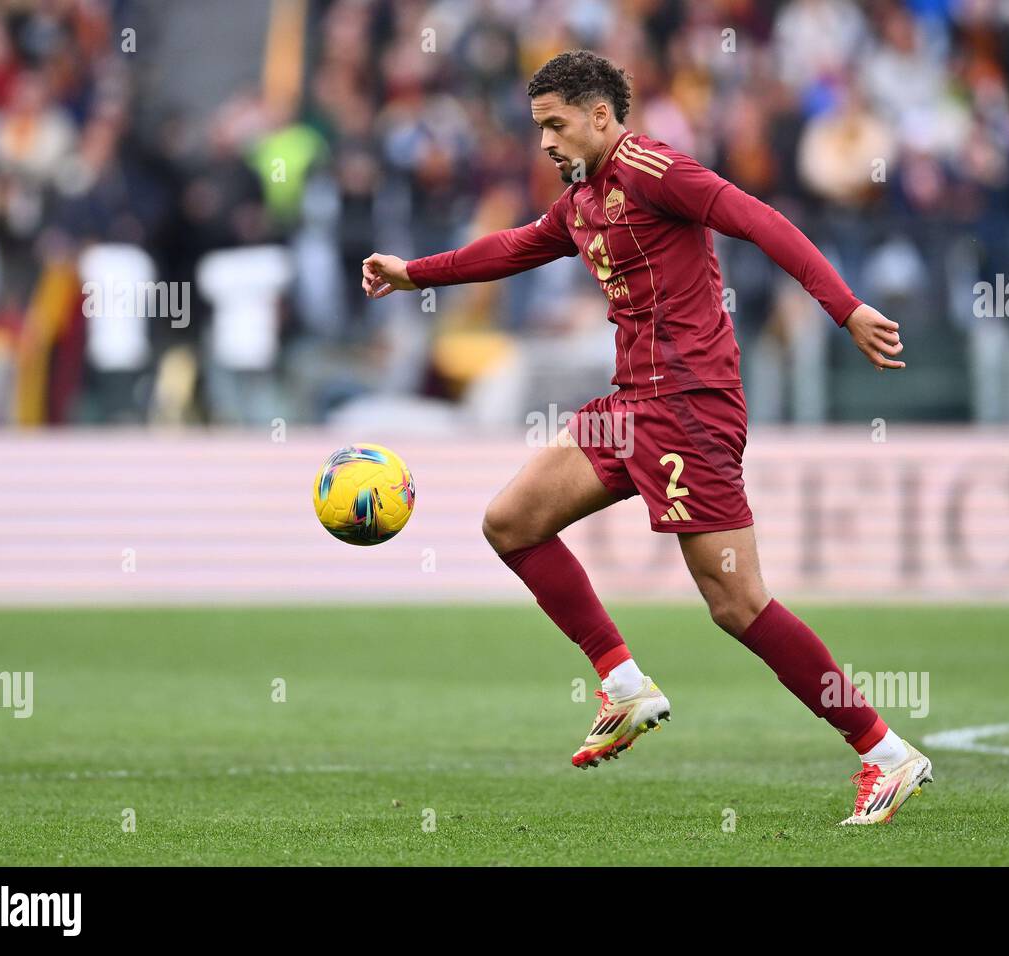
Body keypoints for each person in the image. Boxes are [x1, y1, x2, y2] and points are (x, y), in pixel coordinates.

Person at [362, 50, 931, 824]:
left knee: (736, 603)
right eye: (537, 129)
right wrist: (414, 274)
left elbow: (761, 221)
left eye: (555, 125)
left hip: (691, 409)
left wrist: (845, 307)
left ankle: (884, 753)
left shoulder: (657, 170)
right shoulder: (582, 198)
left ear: (601, 115)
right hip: (632, 405)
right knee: (511, 522)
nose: (545, 144)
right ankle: (625, 685)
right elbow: (515, 247)